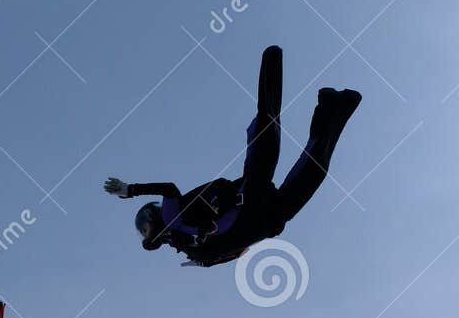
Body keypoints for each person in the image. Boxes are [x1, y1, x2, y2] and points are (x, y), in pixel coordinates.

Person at [104, 45, 361, 266]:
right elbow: (233, 251)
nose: (145, 234)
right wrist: (205, 259)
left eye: (144, 227)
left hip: (251, 206)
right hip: (267, 220)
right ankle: (332, 107)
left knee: (276, 149)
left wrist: (131, 189)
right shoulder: (187, 246)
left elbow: (169, 189)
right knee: (309, 169)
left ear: (152, 218)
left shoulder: (172, 219)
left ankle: (287, 75)